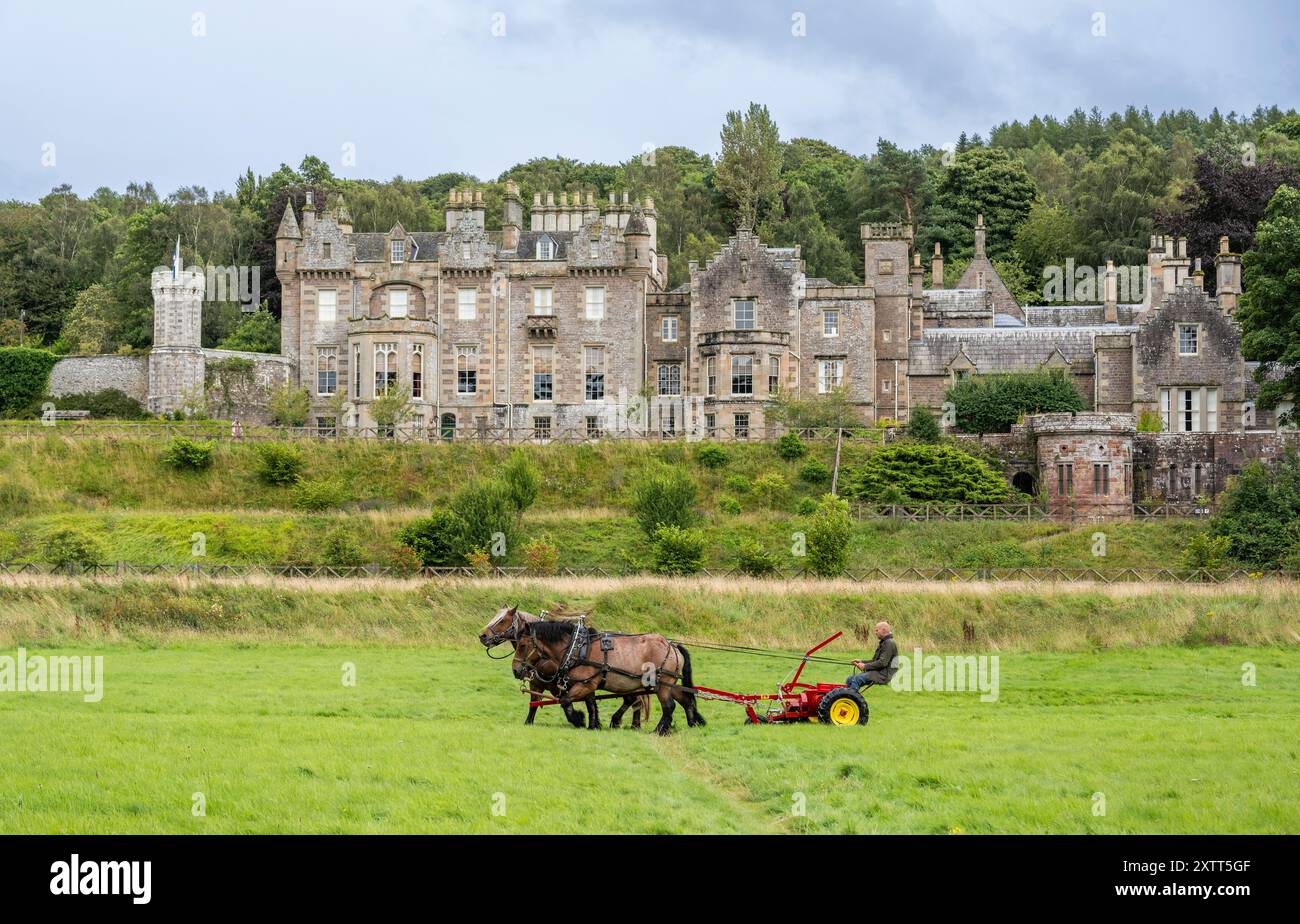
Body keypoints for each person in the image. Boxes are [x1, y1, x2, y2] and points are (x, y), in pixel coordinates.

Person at [846, 621, 898, 692]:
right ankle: (847, 697)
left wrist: (865, 666)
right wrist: (861, 661)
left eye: (877, 630)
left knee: (856, 679)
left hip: (884, 674)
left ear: (884, 630)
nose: (875, 632)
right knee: (850, 679)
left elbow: (882, 663)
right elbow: (875, 661)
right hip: (878, 672)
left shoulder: (889, 643)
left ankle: (851, 699)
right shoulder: (884, 642)